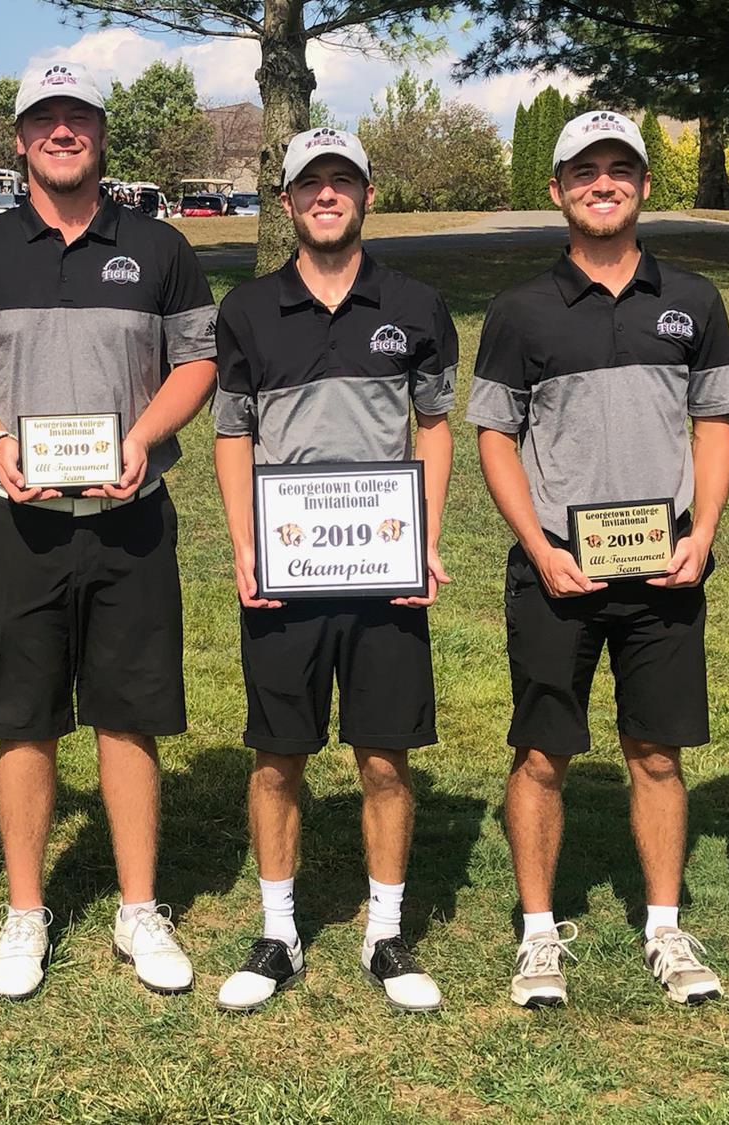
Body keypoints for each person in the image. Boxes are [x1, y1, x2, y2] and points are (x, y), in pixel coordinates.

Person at [0, 61, 218, 1000]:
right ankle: (25, 909)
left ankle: (139, 907)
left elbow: (196, 361)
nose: (61, 131)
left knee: (130, 715)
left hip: (131, 519)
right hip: (17, 522)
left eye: (77, 116)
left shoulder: (160, 246)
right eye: (44, 119)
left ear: (100, 132)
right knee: (24, 717)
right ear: (19, 140)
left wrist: (144, 436)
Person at [466, 109, 729, 1008]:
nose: (603, 184)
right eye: (584, 171)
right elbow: (495, 437)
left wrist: (703, 531)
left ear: (644, 185)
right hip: (558, 571)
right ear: (556, 190)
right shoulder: (519, 310)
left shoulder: (694, 300)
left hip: (665, 568)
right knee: (542, 751)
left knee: (657, 752)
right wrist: (538, 547)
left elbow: (716, 422)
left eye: (619, 168)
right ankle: (539, 933)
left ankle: (664, 925)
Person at [210, 128, 454, 1014]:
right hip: (288, 570)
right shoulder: (246, 310)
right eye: (309, 183)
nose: (326, 194)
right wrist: (245, 542)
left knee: (384, 757)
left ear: (367, 194)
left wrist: (424, 536)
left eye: (342, 180)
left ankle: (385, 933)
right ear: (285, 202)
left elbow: (434, 426)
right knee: (279, 755)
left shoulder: (416, 304)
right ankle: (278, 932)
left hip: (383, 569)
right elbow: (232, 432)